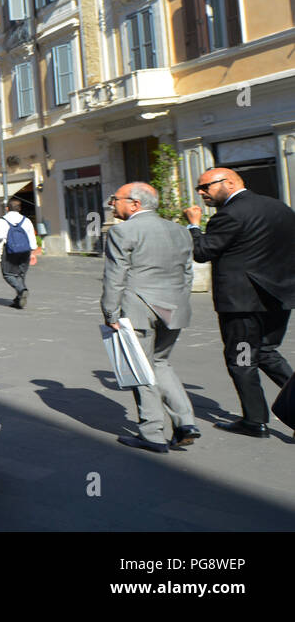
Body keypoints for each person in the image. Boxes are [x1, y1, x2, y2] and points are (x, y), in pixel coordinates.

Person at [185, 167, 295, 438]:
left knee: (242, 359)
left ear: (230, 183)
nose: (201, 193)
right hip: (278, 297)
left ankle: (254, 420)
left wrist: (193, 226)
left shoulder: (229, 214)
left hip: (243, 304)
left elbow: (202, 252)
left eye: (205, 187)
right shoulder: (280, 208)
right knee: (268, 353)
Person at [101, 182, 198, 453]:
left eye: (115, 199)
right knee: (160, 362)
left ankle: (152, 432)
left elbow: (115, 277)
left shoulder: (122, 231)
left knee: (139, 367)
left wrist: (110, 312)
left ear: (134, 203)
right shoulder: (180, 230)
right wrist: (178, 299)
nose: (112, 204)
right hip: (175, 306)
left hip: (138, 308)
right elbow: (187, 273)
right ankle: (186, 422)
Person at [0, 198, 38, 308]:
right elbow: (32, 238)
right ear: (19, 208)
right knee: (20, 274)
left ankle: (21, 290)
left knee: (8, 274)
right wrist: (33, 252)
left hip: (10, 251)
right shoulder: (26, 220)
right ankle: (18, 300)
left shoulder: (3, 220)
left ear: (7, 208)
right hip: (25, 251)